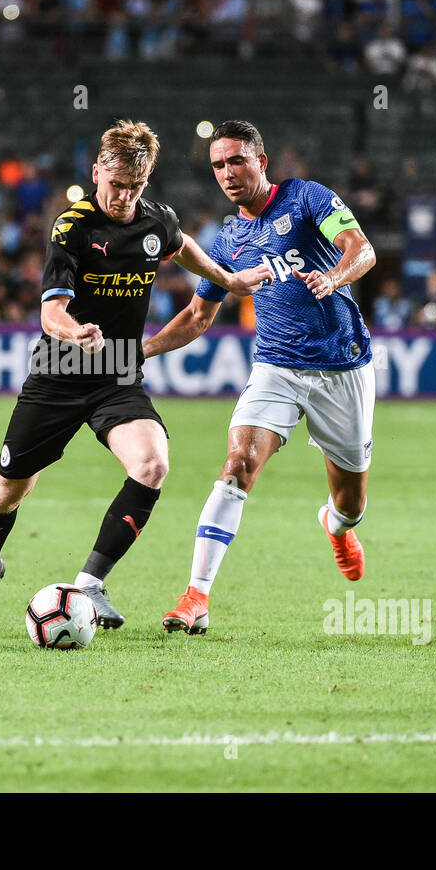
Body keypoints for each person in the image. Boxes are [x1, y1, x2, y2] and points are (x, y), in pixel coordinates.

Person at [0, 120, 270, 630]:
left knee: (152, 463)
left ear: (147, 181)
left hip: (116, 374)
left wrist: (229, 280)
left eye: (135, 187)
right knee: (8, 490)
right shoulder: (73, 228)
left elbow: (183, 247)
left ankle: (90, 582)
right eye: (116, 186)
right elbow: (50, 314)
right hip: (59, 371)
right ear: (97, 173)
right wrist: (74, 333)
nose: (123, 197)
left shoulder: (156, 222)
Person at [148, 120, 378, 635]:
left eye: (236, 161)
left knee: (351, 502)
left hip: (342, 366)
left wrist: (333, 276)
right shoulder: (228, 240)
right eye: (217, 166)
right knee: (237, 464)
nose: (227, 174)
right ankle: (196, 597)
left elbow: (362, 249)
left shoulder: (307, 198)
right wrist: (141, 352)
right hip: (274, 366)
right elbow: (198, 316)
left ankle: (337, 528)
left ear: (261, 160)